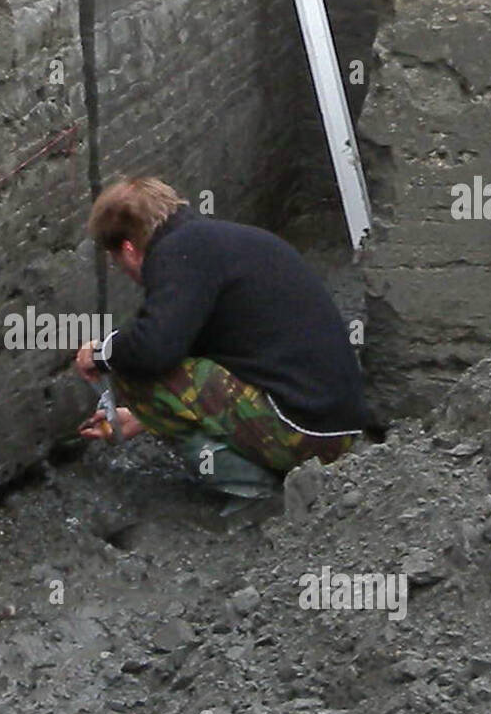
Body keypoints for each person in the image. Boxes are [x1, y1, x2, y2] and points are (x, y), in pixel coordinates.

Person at [74, 177, 377, 502]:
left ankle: (256, 493)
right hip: (333, 424)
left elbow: (153, 349)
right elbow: (211, 346)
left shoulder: (178, 254)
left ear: (129, 250)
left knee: (133, 371)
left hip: (307, 434)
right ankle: (263, 465)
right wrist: (143, 418)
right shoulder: (214, 244)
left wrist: (101, 354)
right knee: (161, 360)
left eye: (119, 264)